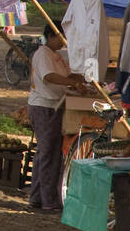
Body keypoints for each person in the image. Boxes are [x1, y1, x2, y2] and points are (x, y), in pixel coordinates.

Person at [27, 24, 88, 212]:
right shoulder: (42, 54)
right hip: (43, 106)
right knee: (48, 154)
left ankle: (37, 197)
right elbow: (49, 76)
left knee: (47, 153)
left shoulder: (56, 55)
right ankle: (48, 200)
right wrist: (72, 83)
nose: (63, 41)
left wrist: (82, 78)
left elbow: (66, 74)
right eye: (61, 37)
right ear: (51, 35)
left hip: (54, 105)